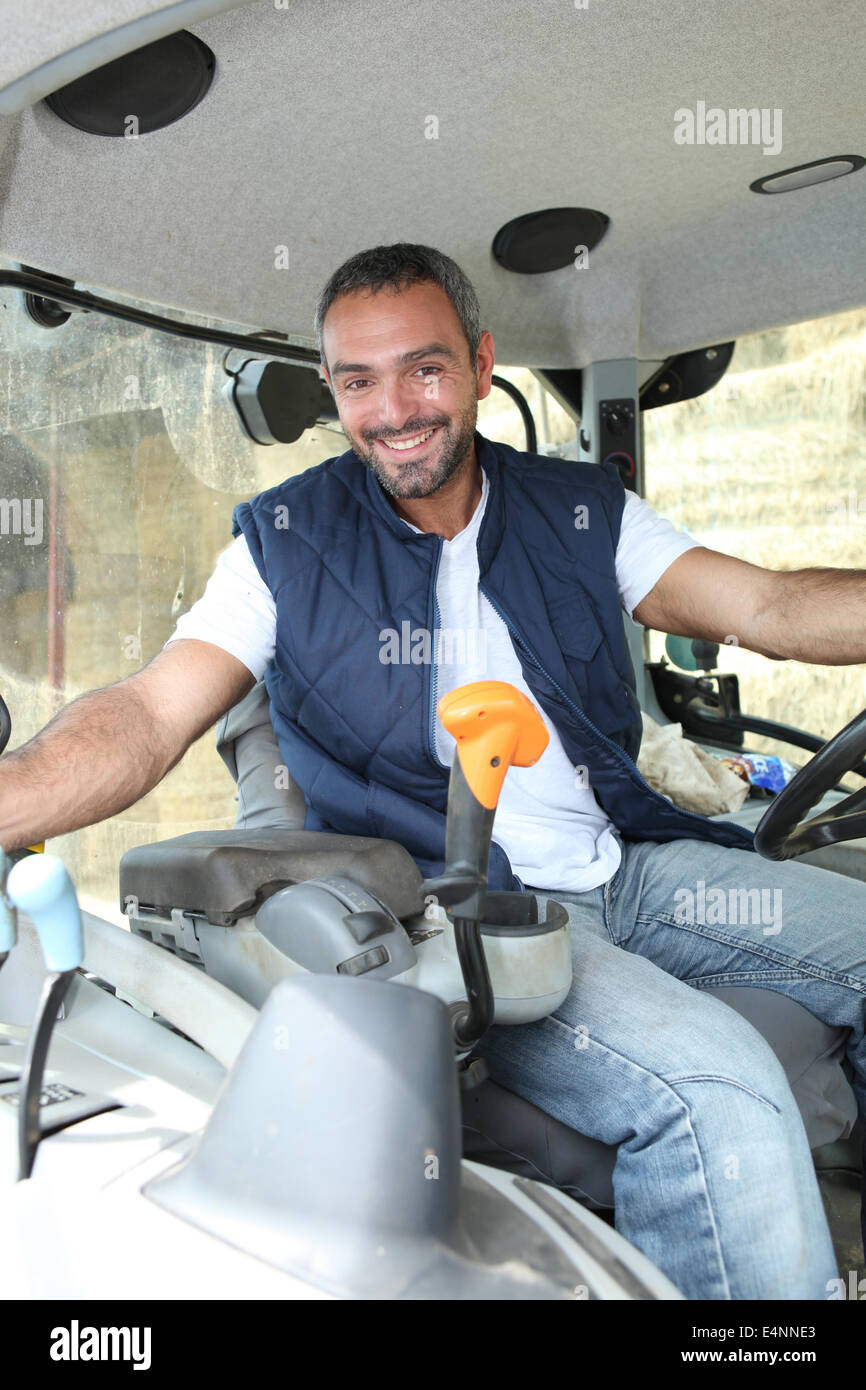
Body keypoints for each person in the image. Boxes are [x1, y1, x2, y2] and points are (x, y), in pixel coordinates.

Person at [2, 242, 865, 1300]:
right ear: (331, 389)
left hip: (628, 866)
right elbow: (145, 712)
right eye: (357, 380)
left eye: (422, 368)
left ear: (479, 363)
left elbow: (770, 608)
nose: (393, 409)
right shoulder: (283, 546)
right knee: (715, 1086)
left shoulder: (578, 511)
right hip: (476, 917)